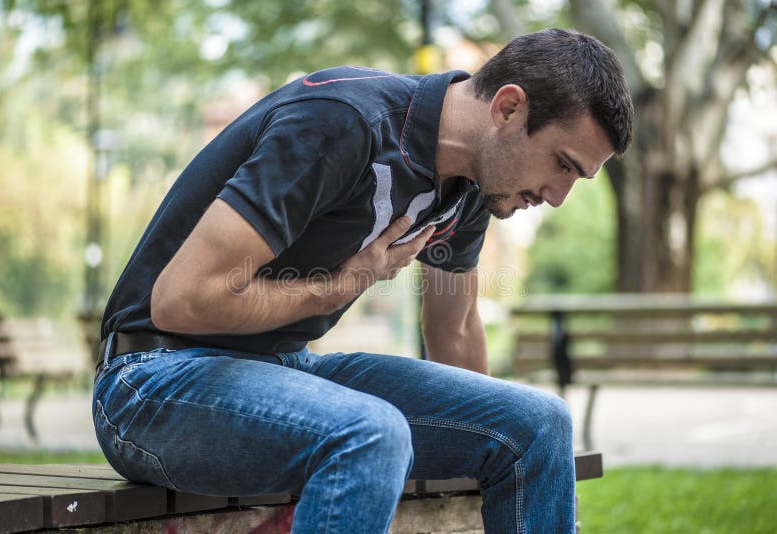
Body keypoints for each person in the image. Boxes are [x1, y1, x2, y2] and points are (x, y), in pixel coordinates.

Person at [93, 28, 633, 533]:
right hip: (153, 379)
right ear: (508, 108)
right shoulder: (341, 122)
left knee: (537, 424)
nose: (558, 196)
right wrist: (338, 287)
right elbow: (180, 301)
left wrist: (494, 442)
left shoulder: (474, 186)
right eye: (563, 164)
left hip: (282, 369)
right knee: (370, 433)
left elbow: (455, 331)